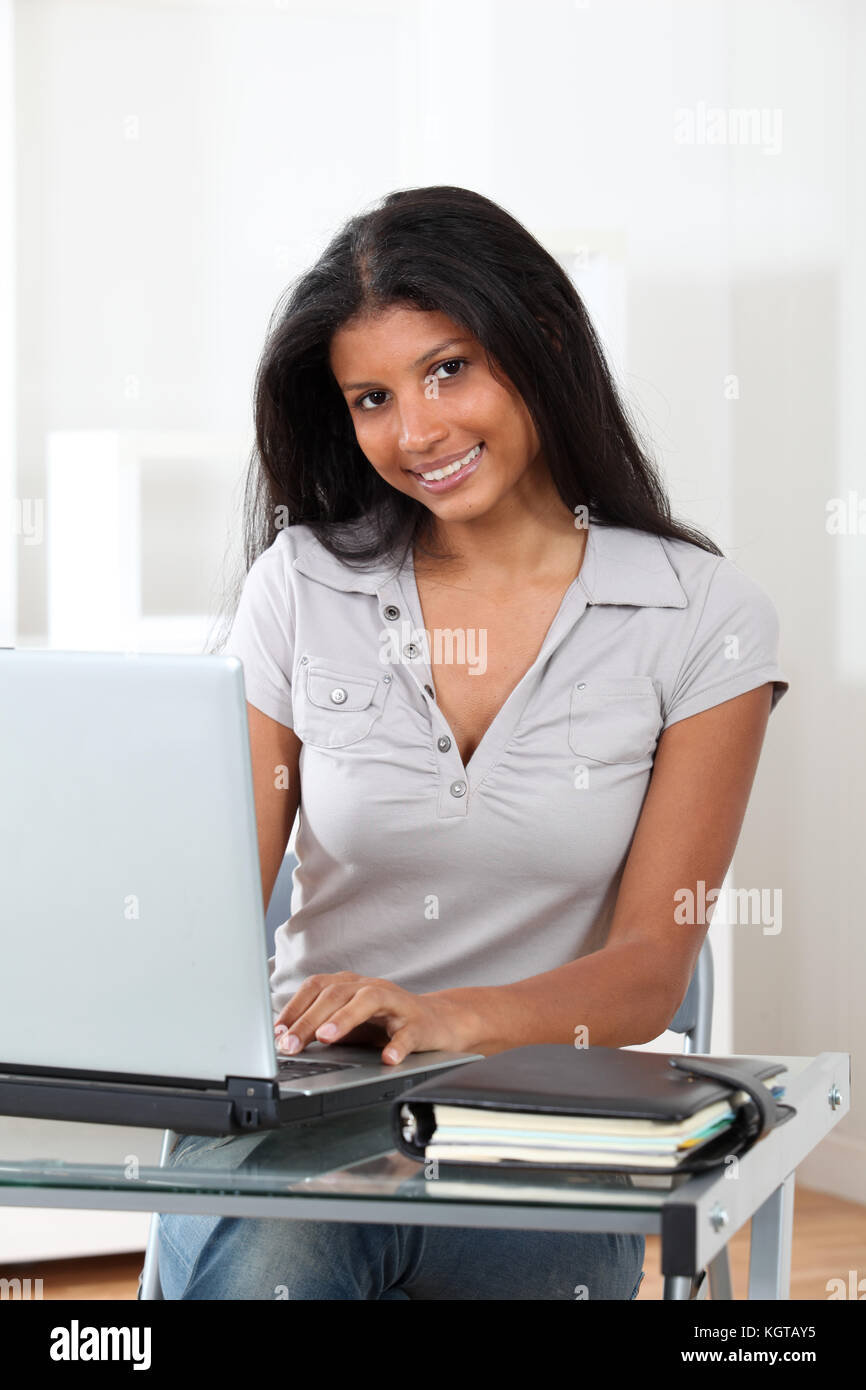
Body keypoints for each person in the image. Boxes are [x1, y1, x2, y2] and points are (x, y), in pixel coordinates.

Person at [156, 185, 789, 1299]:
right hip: (312, 1114)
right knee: (285, 1248)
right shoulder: (300, 585)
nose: (416, 432)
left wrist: (446, 1017)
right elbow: (212, 911)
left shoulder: (702, 616)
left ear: (539, 340)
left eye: (448, 369)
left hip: (545, 1129)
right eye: (370, 395)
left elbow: (649, 968)